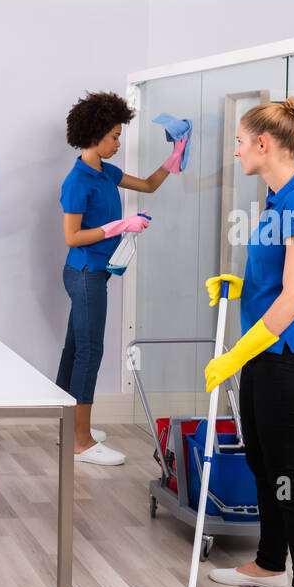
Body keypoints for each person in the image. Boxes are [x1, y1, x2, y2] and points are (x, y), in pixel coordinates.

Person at [206, 97, 294, 587]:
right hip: (263, 356)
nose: (235, 152)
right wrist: (241, 287)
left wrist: (236, 352)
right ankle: (269, 563)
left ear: (263, 144)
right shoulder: (279, 202)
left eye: (239, 142)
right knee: (262, 463)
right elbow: (276, 279)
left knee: (288, 477)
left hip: (289, 361)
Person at [57, 91, 183, 465]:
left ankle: (71, 427)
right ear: (95, 135)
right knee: (89, 352)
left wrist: (172, 159)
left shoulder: (105, 172)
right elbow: (72, 237)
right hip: (83, 274)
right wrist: (118, 227)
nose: (118, 142)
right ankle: (80, 442)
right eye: (114, 135)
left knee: (75, 349)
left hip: (94, 273)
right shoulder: (77, 181)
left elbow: (147, 185)